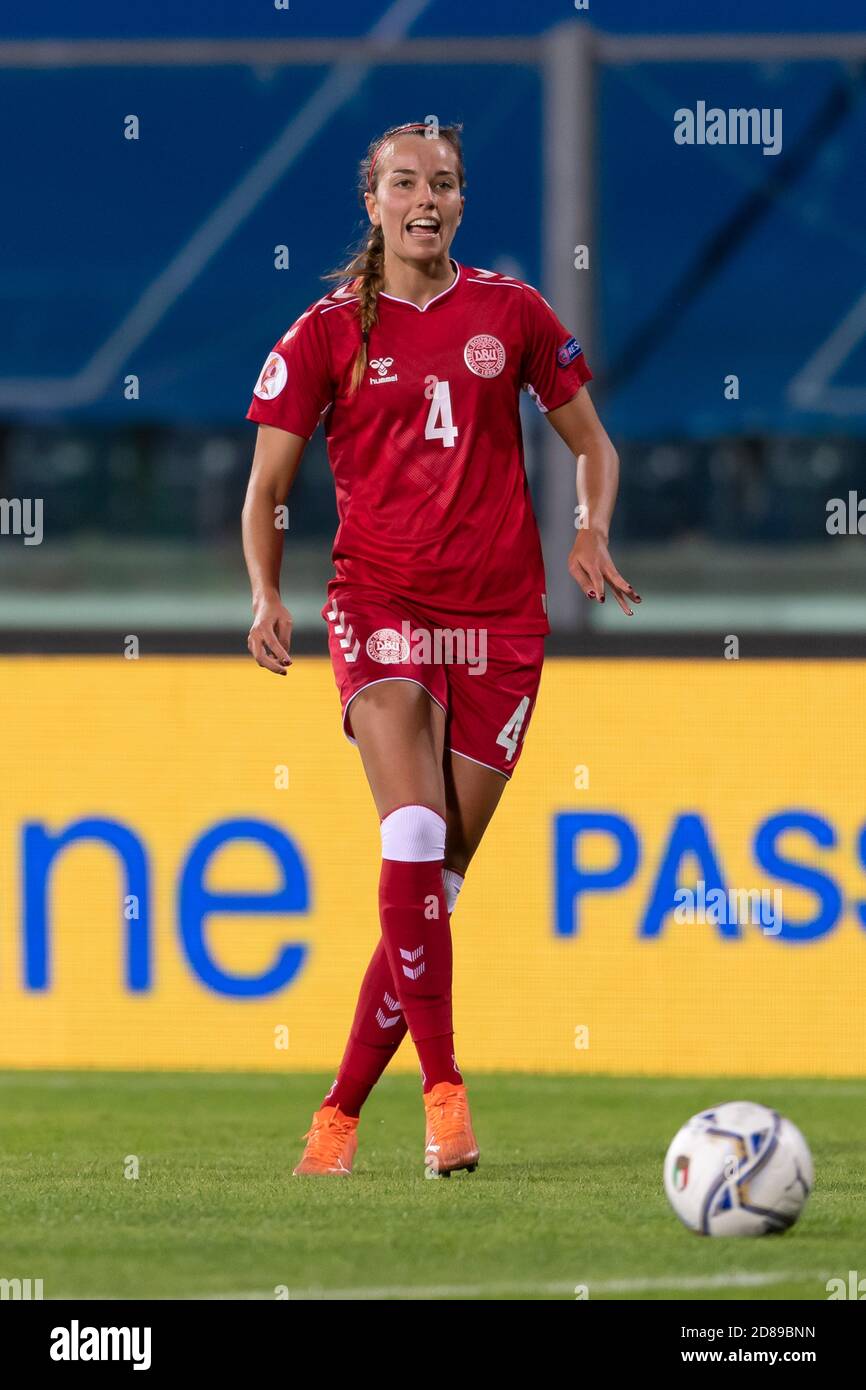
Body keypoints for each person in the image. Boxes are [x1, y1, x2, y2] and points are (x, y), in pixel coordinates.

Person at [242, 120, 639, 1178]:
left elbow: (592, 443)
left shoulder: (510, 314)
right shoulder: (324, 333)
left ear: (461, 202)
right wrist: (263, 594)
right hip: (380, 605)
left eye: (446, 183)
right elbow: (267, 490)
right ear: (370, 201)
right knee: (411, 829)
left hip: (500, 623)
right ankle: (445, 1093)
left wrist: (589, 526)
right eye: (405, 182)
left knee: (438, 881)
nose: (427, 197)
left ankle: (335, 1114)